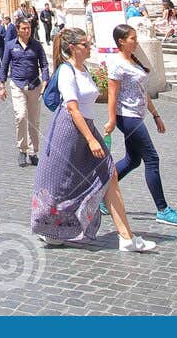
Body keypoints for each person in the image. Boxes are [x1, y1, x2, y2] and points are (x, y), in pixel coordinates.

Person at [31, 28, 155, 253]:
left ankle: (126, 237)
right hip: (69, 131)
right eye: (86, 45)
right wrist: (91, 140)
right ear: (73, 48)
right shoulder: (67, 71)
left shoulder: (85, 69)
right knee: (60, 182)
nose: (90, 48)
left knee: (110, 174)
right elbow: (71, 108)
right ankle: (50, 229)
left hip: (87, 127)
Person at [104, 24, 177, 227]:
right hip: (127, 116)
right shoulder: (116, 63)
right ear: (121, 41)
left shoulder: (132, 60)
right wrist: (112, 120)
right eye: (132, 38)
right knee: (152, 158)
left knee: (133, 160)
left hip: (138, 114)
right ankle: (163, 209)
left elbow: (142, 91)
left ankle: (102, 194)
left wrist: (155, 114)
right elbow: (112, 94)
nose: (136, 41)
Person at [0, 18, 48, 168]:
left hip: (34, 85)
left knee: (34, 120)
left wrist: (45, 80)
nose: (27, 31)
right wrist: (2, 85)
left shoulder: (37, 45)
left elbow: (44, 64)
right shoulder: (10, 45)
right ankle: (22, 149)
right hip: (17, 85)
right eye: (24, 28)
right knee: (20, 116)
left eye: (29, 28)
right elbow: (4, 65)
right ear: (18, 30)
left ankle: (33, 152)